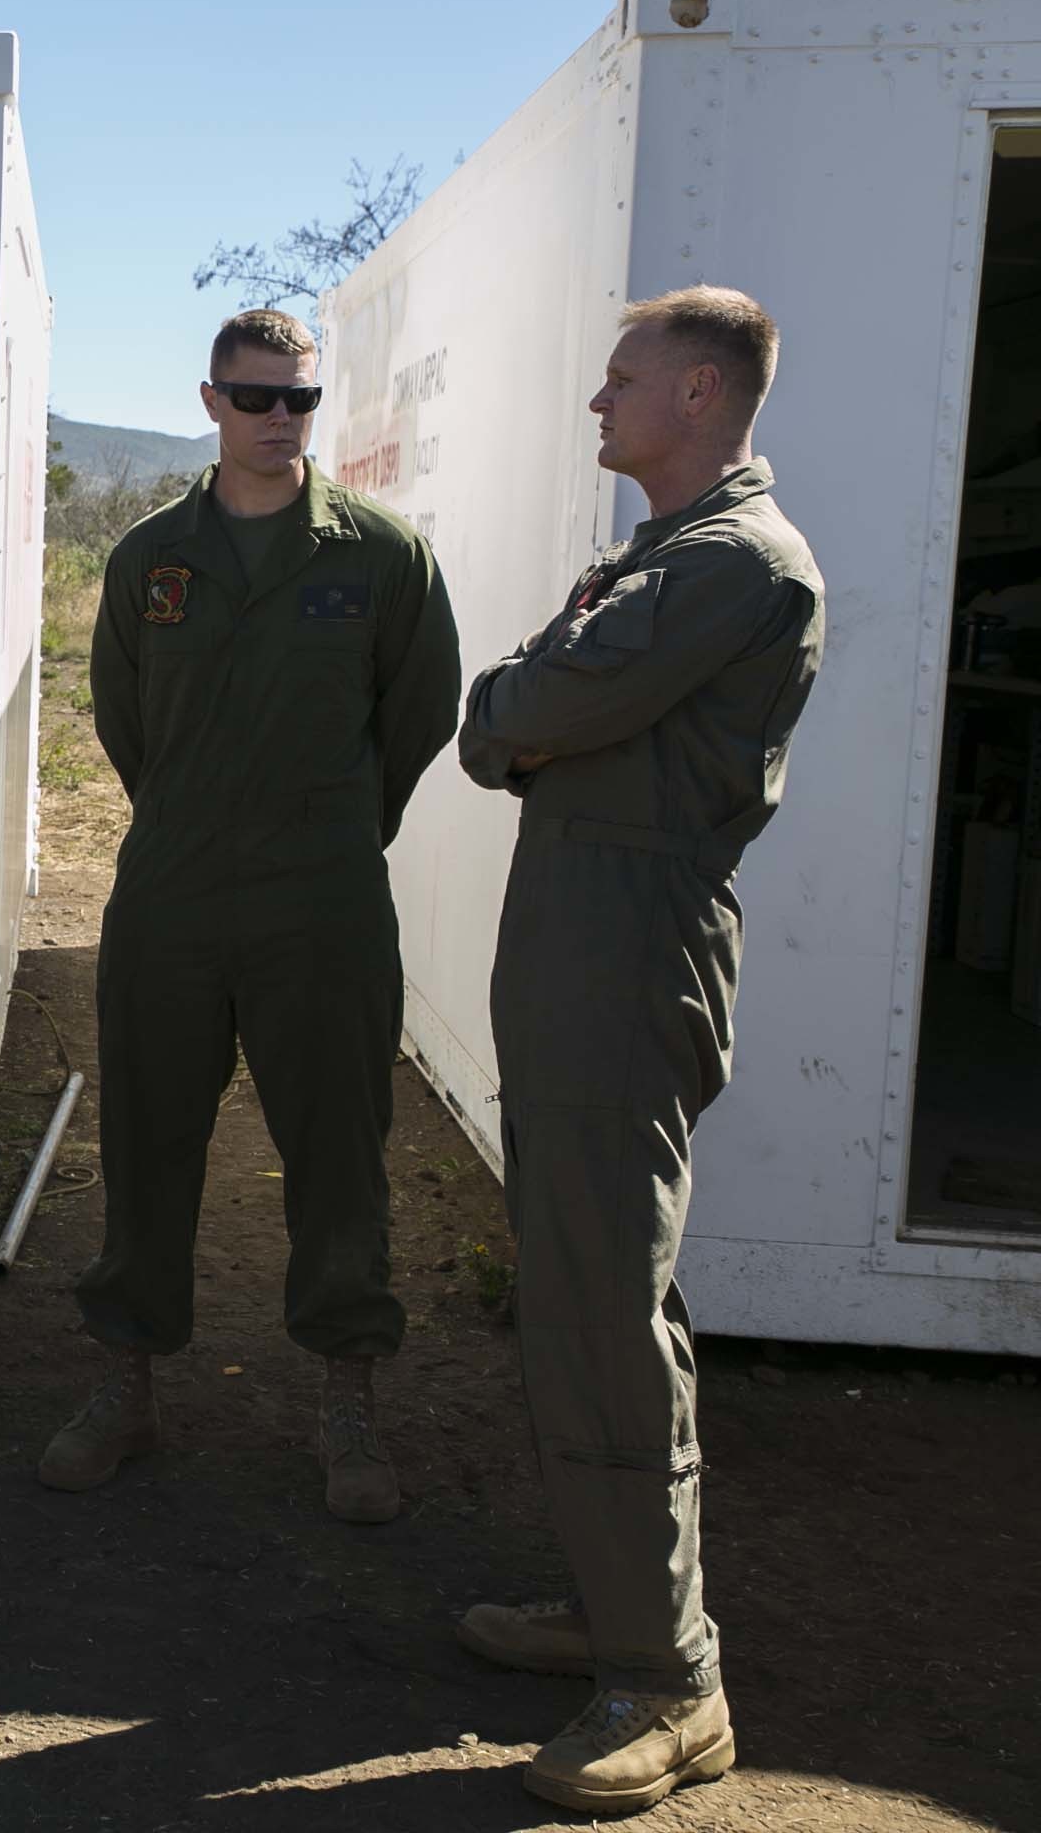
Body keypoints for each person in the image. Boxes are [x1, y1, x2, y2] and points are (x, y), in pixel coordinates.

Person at [453, 286, 822, 1816]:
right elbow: (498, 723)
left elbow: (528, 704)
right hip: (578, 952)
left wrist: (523, 715)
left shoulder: (736, 562)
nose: (598, 401)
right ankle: (618, 1609)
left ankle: (670, 1683)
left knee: (607, 1306)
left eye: (623, 378)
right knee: (575, 1288)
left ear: (699, 394)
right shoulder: (663, 556)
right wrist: (522, 716)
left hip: (627, 959)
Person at [42, 309, 460, 1519]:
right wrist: (194, 819)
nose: (281, 418)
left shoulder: (379, 555)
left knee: (338, 1153)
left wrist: (332, 828)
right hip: (171, 896)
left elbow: (418, 715)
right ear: (211, 402)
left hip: (322, 900)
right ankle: (125, 1382)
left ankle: (348, 1399)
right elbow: (123, 718)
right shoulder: (151, 559)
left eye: (300, 399)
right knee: (147, 1141)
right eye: (256, 396)